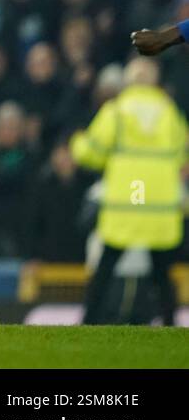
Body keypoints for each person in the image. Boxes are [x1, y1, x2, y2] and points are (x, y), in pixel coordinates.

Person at [70, 57, 188, 325]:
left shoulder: (117, 110)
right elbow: (183, 155)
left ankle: (89, 320)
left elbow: (93, 152)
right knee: (161, 272)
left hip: (126, 204)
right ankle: (170, 323)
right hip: (159, 207)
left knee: (106, 267)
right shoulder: (169, 112)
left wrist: (76, 143)